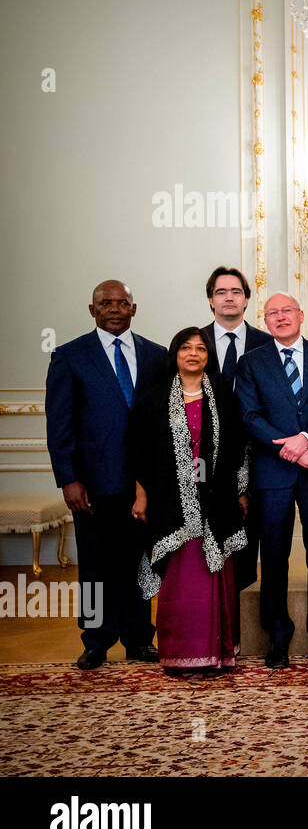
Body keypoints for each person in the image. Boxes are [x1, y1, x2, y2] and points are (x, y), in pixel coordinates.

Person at [46, 280, 166, 669]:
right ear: (92, 309)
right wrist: (68, 479)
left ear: (134, 309)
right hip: (92, 485)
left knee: (139, 562)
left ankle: (137, 638)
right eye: (105, 303)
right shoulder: (70, 356)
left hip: (143, 484)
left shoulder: (156, 356)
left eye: (122, 303)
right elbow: (59, 424)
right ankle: (96, 639)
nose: (114, 309)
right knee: (96, 565)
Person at [236, 292, 308, 667]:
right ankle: (277, 638)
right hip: (273, 474)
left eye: (287, 311)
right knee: (274, 557)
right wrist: (296, 449)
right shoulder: (251, 363)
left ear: (301, 315)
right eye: (273, 313)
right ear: (265, 320)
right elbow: (250, 417)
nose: (281, 317)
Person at [129, 328, 247, 676]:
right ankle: (181, 655)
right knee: (182, 581)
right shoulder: (153, 399)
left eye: (200, 348)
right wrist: (141, 494)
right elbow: (139, 451)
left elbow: (239, 446)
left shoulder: (223, 395)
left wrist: (240, 490)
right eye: (185, 347)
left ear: (208, 356)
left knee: (215, 577)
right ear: (175, 353)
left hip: (217, 499)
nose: (193, 353)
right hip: (170, 502)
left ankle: (218, 654)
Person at [201, 265, 272, 591]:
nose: (228, 298)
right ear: (211, 301)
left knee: (248, 538)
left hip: (258, 456)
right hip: (204, 460)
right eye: (221, 292)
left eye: (235, 292)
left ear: (246, 300)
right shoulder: (193, 342)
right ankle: (212, 624)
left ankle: (244, 631)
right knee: (206, 545)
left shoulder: (267, 344)